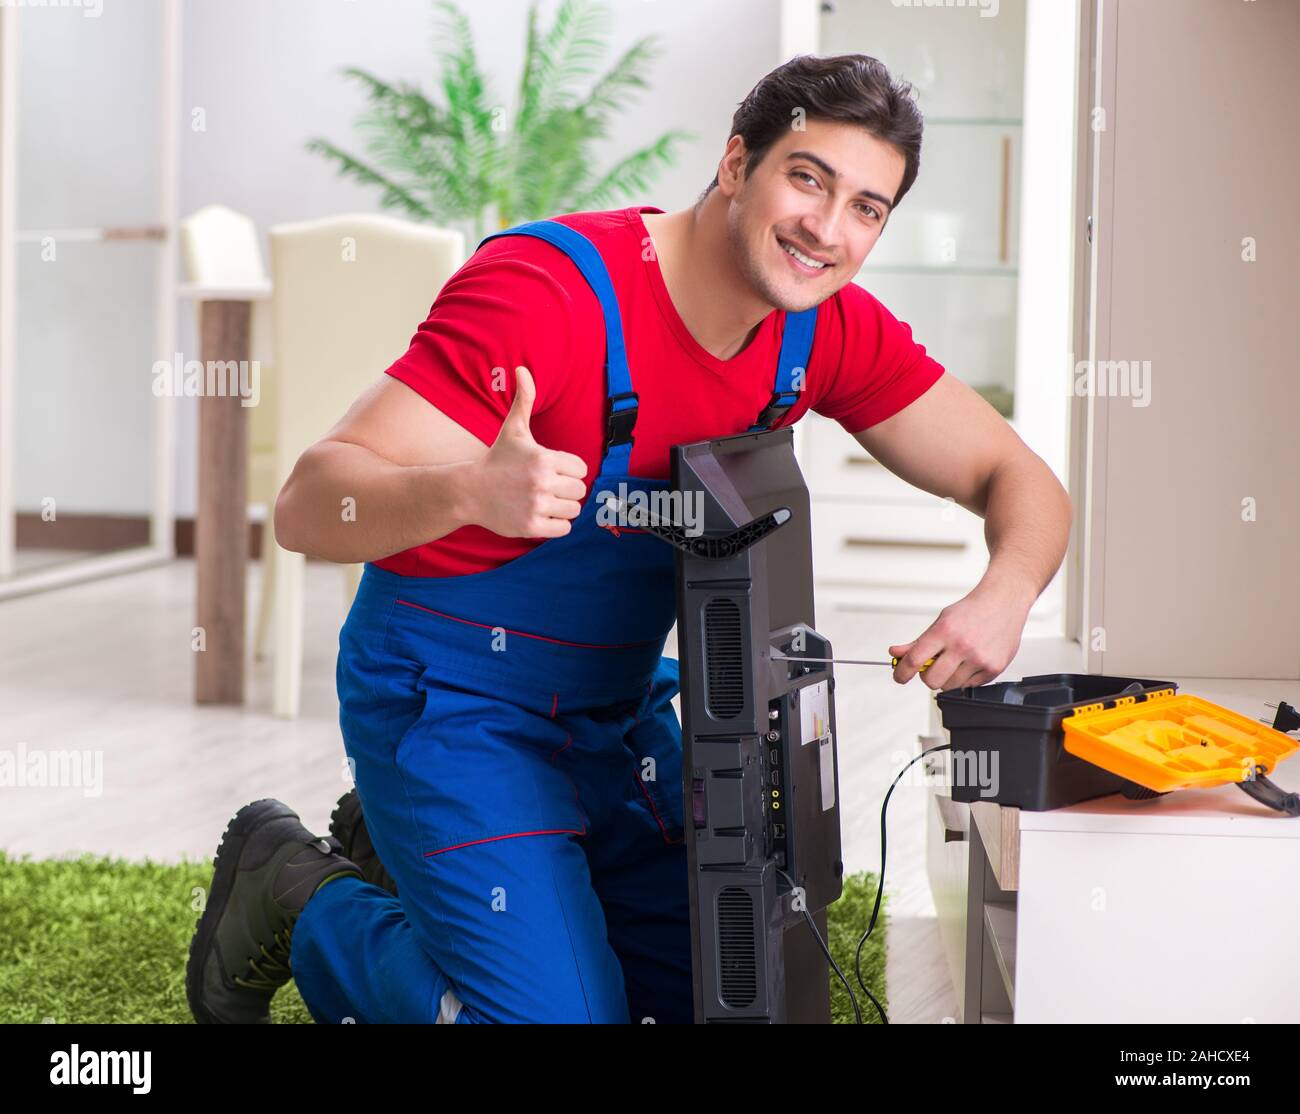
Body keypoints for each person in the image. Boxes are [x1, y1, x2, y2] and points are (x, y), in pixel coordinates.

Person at [186, 53, 1071, 1025]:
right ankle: (300, 894)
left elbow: (1018, 478)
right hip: (451, 704)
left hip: (611, 717)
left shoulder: (822, 331)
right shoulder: (546, 293)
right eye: (807, 177)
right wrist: (468, 490)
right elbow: (312, 504)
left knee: (731, 995)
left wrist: (1005, 592)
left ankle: (410, 856)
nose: (827, 228)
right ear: (736, 164)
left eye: (867, 207)